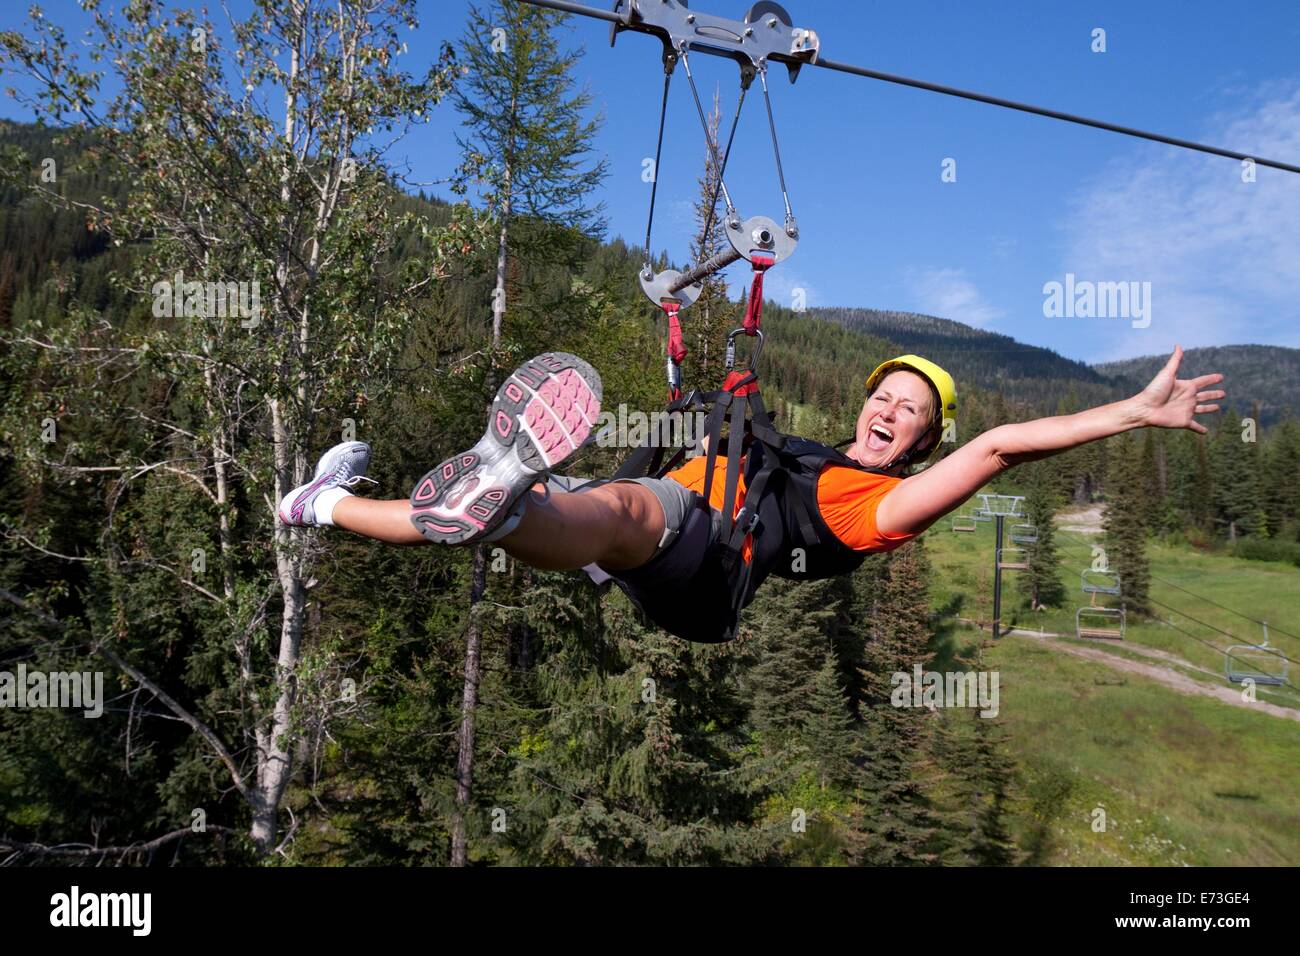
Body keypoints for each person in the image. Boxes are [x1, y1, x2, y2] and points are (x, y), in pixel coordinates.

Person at [279, 347, 1224, 641]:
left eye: (912, 413)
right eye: (884, 397)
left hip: (703, 560)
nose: (891, 412)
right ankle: (321, 504)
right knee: (564, 504)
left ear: (927, 441)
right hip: (670, 517)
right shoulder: (811, 452)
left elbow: (1005, 446)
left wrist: (1133, 415)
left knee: (618, 514)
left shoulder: (874, 508)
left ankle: (514, 500)